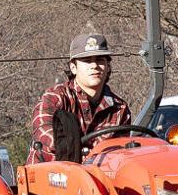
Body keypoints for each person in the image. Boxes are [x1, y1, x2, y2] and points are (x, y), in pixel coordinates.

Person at [28, 31, 133, 164]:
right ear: (73, 67)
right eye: (87, 61)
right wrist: (85, 156)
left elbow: (118, 153)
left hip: (97, 179)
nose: (94, 66)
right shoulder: (55, 98)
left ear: (107, 67)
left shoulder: (120, 109)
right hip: (51, 176)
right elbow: (44, 134)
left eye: (100, 60)